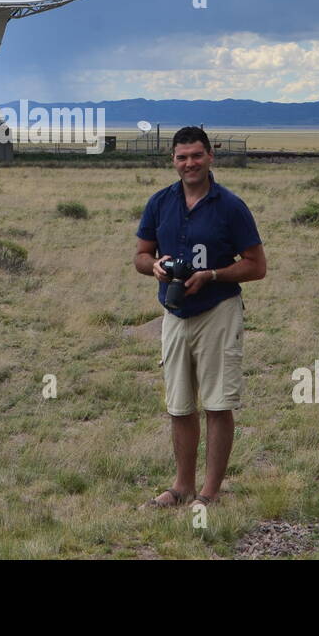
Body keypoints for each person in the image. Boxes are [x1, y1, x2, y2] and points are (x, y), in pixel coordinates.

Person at [133, 126, 266, 508]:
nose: (189, 163)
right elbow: (141, 255)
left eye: (196, 155)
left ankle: (209, 492)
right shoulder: (160, 203)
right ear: (172, 161)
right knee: (179, 404)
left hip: (218, 311)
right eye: (181, 157)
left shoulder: (230, 206)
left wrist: (213, 275)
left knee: (217, 403)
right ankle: (182, 487)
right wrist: (155, 266)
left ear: (210, 157)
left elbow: (257, 266)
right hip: (174, 313)